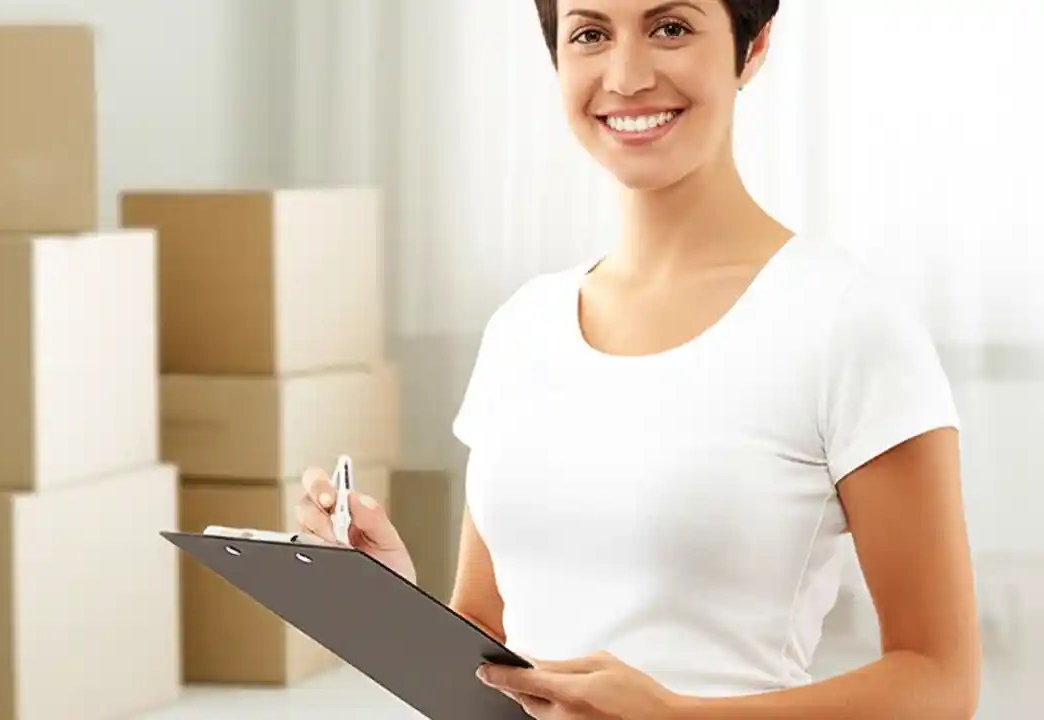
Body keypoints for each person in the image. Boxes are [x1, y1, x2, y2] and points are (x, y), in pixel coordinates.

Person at [297, 0, 982, 717]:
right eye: (590, 34)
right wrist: (388, 602)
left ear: (752, 46)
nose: (625, 77)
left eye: (671, 28)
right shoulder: (523, 326)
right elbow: (491, 649)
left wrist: (678, 718)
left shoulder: (846, 322)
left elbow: (939, 681)